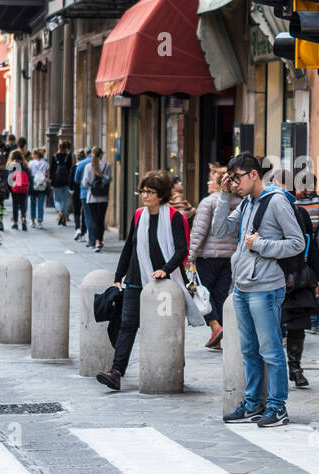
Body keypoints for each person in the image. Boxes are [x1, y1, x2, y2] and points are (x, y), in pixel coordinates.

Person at [221, 152, 306, 428]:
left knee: (270, 350)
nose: (234, 184)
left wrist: (260, 245)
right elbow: (221, 229)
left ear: (253, 174)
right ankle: (252, 404)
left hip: (266, 288)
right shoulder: (246, 202)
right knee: (249, 350)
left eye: (236, 178)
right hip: (243, 286)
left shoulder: (277, 201)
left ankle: (277, 407)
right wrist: (224, 196)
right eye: (230, 179)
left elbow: (296, 243)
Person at [96, 170, 191, 392]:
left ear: (162, 195)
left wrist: (165, 270)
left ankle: (174, 365)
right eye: (143, 191)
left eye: (150, 192)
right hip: (136, 279)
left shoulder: (174, 218)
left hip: (162, 285)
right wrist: (118, 277)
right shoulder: (139, 215)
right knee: (127, 325)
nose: (145, 195)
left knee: (164, 327)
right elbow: (129, 246)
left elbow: (181, 250)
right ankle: (116, 372)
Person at [273, 170, 319, 390]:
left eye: (286, 186)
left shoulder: (299, 212)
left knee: (297, 326)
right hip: (273, 274)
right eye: (277, 185)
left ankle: (295, 368)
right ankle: (276, 369)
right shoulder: (266, 209)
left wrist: (318, 278)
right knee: (273, 326)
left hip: (298, 276)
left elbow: (311, 247)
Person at [189, 164, 239, 350]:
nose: (208, 183)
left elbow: (199, 232)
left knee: (200, 294)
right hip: (229, 257)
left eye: (211, 179)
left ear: (219, 184)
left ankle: (215, 326)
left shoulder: (209, 202)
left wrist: (191, 256)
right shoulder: (240, 202)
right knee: (219, 294)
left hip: (208, 256)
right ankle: (216, 336)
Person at [82, 147, 111, 251]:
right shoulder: (107, 165)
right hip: (103, 197)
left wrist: (92, 184)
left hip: (92, 197)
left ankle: (95, 241)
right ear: (102, 154)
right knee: (101, 219)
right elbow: (108, 180)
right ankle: (100, 241)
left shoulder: (88, 167)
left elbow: (84, 183)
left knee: (93, 220)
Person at [50, 142, 74, 226]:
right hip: (66, 180)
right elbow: (70, 169)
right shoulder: (69, 156)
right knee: (65, 200)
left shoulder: (54, 156)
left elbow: (52, 170)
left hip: (56, 181)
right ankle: (64, 215)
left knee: (57, 199)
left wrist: (51, 182)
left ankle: (59, 212)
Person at [72, 146, 92, 243]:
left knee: (81, 212)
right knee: (89, 214)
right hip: (95, 192)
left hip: (81, 191)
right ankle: (86, 234)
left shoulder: (80, 165)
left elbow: (75, 179)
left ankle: (80, 230)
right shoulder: (98, 163)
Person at [7, 149, 31, 230]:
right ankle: (23, 218)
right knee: (23, 204)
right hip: (24, 188)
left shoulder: (12, 165)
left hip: (15, 188)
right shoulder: (25, 165)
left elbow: (9, 178)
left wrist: (11, 188)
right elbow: (29, 177)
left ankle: (15, 222)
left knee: (15, 205)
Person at [28, 148, 49, 228]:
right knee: (41, 202)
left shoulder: (31, 163)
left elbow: (29, 172)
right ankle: (40, 220)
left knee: (33, 201)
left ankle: (33, 220)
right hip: (42, 181)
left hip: (34, 181)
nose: (32, 155)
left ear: (36, 155)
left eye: (33, 154)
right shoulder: (45, 163)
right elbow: (47, 173)